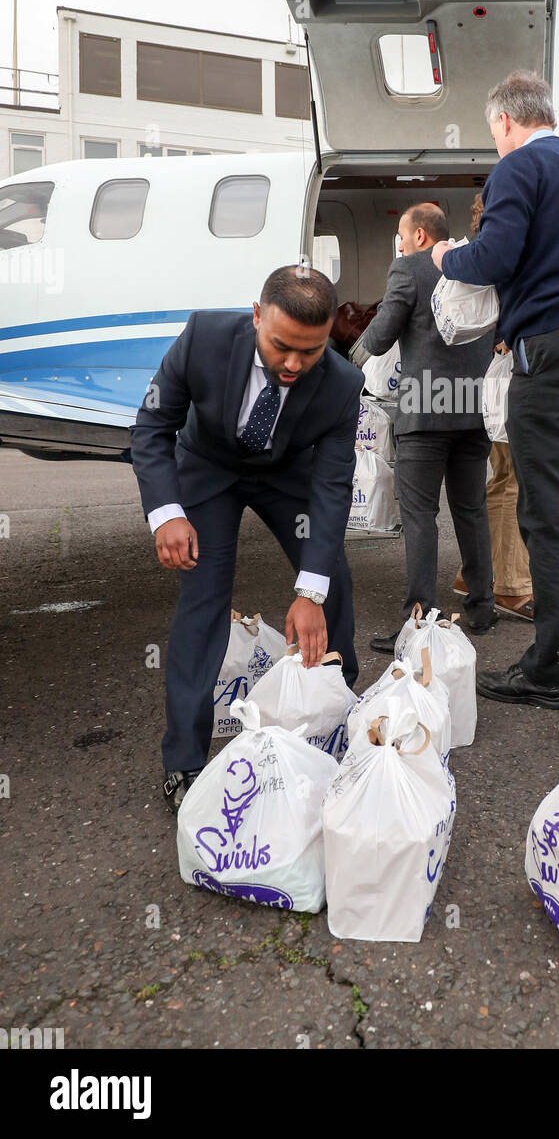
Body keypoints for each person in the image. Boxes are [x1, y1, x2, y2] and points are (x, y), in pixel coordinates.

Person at [130, 266, 363, 810]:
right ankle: (184, 763)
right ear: (256, 316)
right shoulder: (203, 338)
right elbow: (151, 428)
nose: (293, 364)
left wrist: (309, 595)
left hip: (284, 475)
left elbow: (332, 488)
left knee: (334, 580)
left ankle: (335, 711)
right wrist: (166, 514)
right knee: (204, 602)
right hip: (208, 468)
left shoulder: (342, 383)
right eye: (282, 346)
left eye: (310, 352)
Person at [432, 70, 559, 709]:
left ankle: (550, 668)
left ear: (505, 122)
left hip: (554, 351)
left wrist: (443, 258)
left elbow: (493, 257)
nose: (495, 143)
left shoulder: (519, 166)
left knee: (545, 513)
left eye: (494, 133)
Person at [351, 202, 497, 652]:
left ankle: (420, 618)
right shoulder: (477, 267)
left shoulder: (410, 269)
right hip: (473, 408)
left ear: (419, 236)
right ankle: (482, 607)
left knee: (420, 517)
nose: (398, 242)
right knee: (470, 509)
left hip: (424, 413)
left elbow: (379, 338)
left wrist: (350, 354)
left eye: (400, 233)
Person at [453, 193, 534, 621]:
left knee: (501, 477)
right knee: (515, 479)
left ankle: (474, 572)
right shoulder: (505, 251)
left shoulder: (475, 252)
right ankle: (512, 585)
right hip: (506, 375)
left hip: (483, 377)